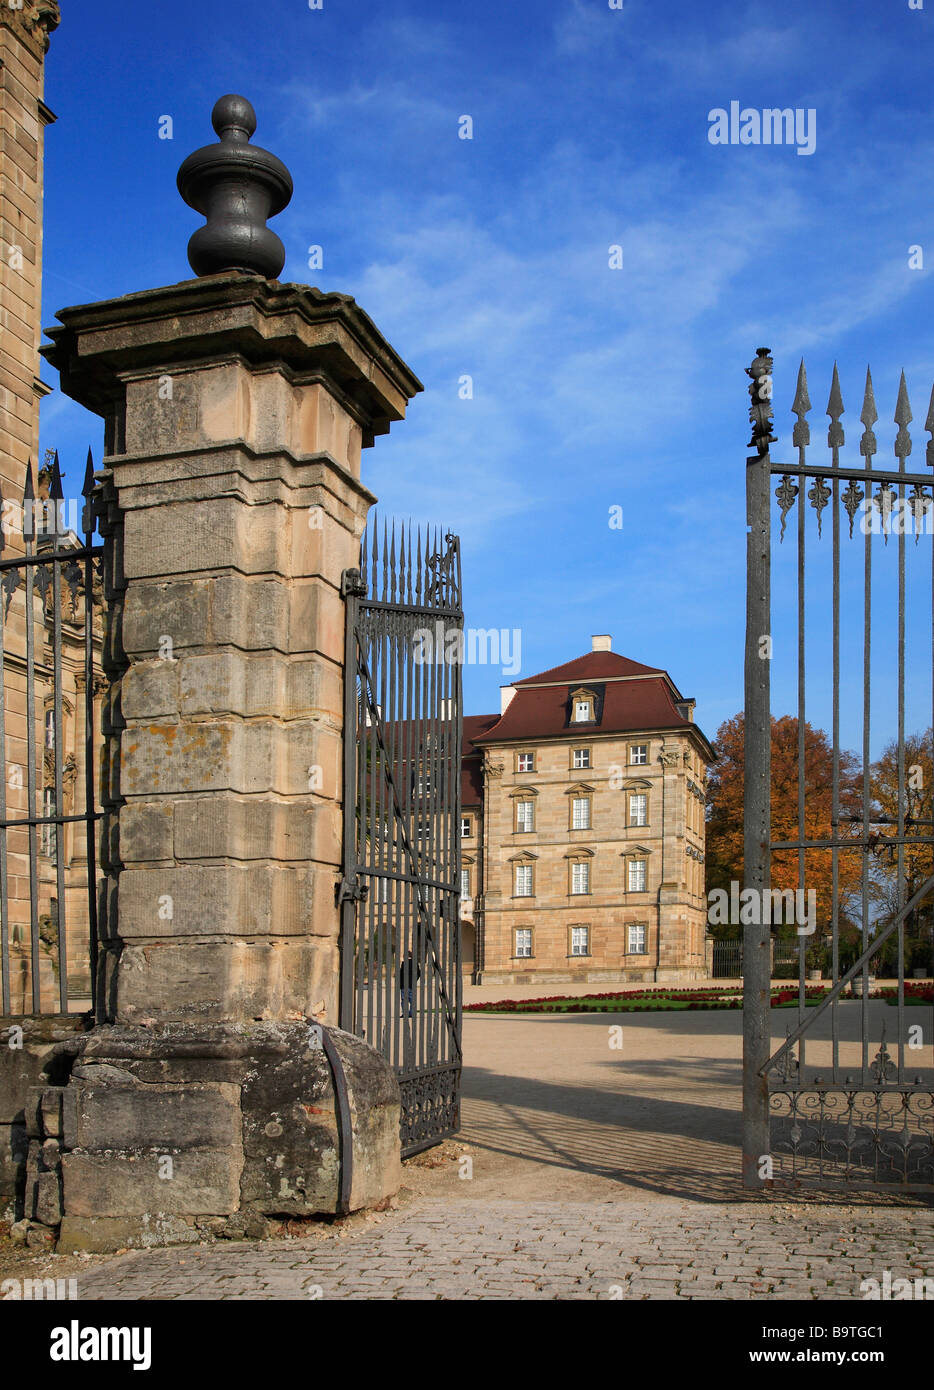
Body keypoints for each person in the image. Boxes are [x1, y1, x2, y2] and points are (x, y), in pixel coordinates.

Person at [399, 951, 421, 1018]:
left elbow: (401, 975)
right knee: (412, 1000)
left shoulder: (404, 963)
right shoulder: (415, 963)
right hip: (412, 984)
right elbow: (418, 973)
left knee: (404, 1000)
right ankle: (411, 1013)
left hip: (404, 985)